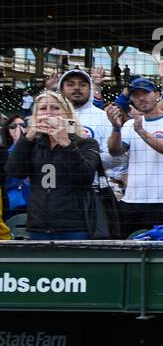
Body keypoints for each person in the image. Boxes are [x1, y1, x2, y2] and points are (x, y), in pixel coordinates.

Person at [5, 92, 103, 240]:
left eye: (55, 108)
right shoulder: (33, 145)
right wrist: (28, 138)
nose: (49, 113)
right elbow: (14, 171)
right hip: (38, 226)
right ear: (35, 115)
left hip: (75, 226)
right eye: (43, 108)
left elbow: (85, 178)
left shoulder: (86, 143)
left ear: (67, 114)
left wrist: (66, 143)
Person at [106, 78, 163, 235]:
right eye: (136, 95)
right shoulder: (128, 125)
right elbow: (115, 151)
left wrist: (141, 131)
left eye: (145, 93)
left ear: (157, 94)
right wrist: (115, 129)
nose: (141, 98)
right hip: (132, 200)